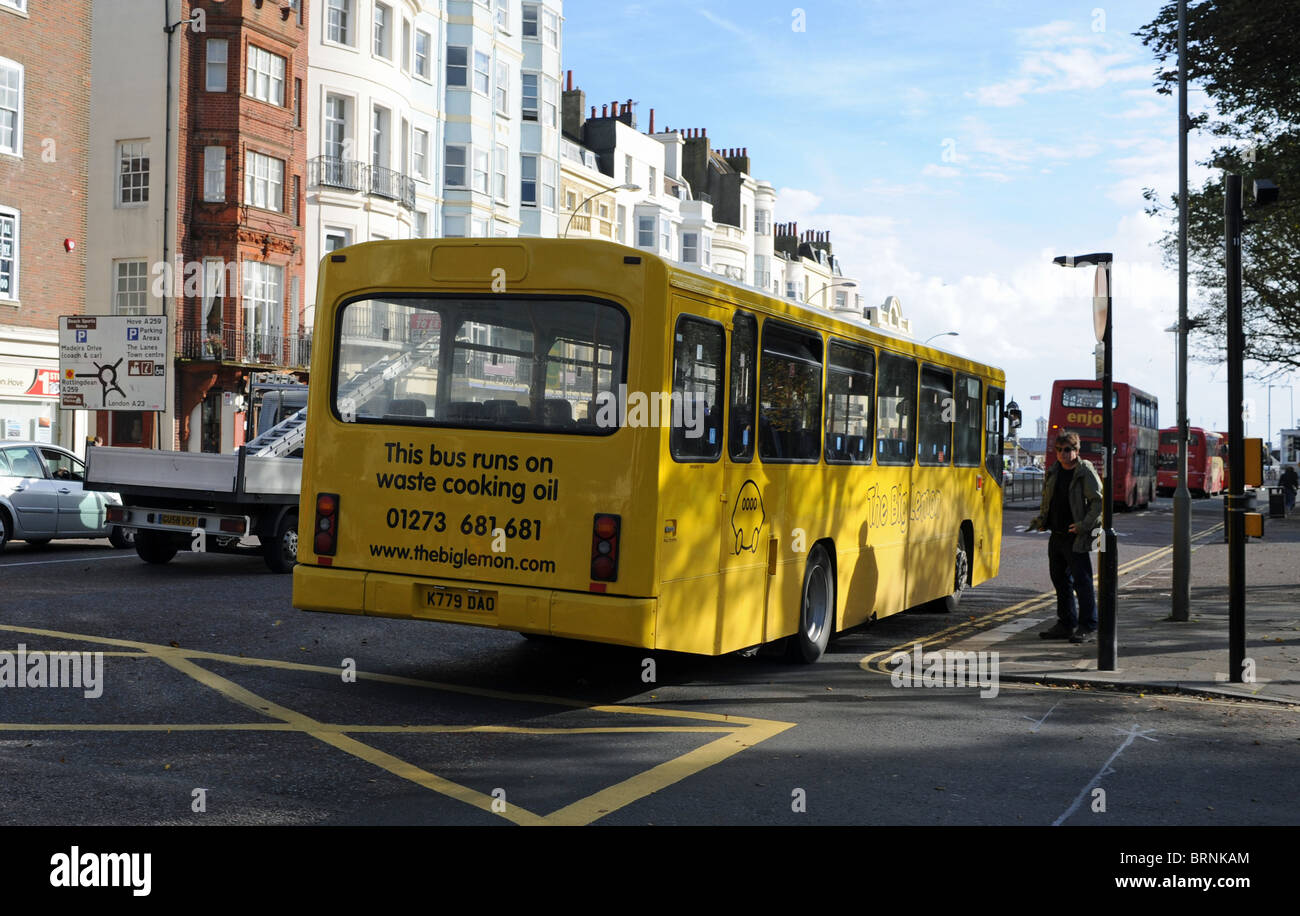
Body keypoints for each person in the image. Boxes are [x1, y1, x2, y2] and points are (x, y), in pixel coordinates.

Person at [1027, 432, 1104, 643]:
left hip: (1075, 536)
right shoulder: (1055, 470)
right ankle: (1066, 623)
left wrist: (1083, 526)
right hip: (1057, 534)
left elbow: (1098, 503)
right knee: (1060, 580)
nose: (1063, 454)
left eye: (1068, 450)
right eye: (1059, 450)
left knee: (1083, 581)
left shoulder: (1084, 471)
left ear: (1076, 451)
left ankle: (1088, 625)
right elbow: (1048, 498)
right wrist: (1042, 520)